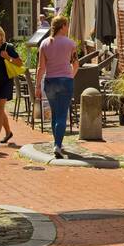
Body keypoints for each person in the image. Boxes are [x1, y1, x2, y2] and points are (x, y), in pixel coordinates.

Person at [35, 15, 78, 159]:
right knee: (62, 114)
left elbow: (41, 67)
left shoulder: (44, 44)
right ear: (63, 26)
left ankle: (56, 142)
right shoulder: (70, 44)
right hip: (65, 81)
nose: (68, 28)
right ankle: (58, 145)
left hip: (50, 81)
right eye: (67, 25)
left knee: (55, 113)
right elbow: (75, 64)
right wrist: (71, 76)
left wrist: (37, 86)